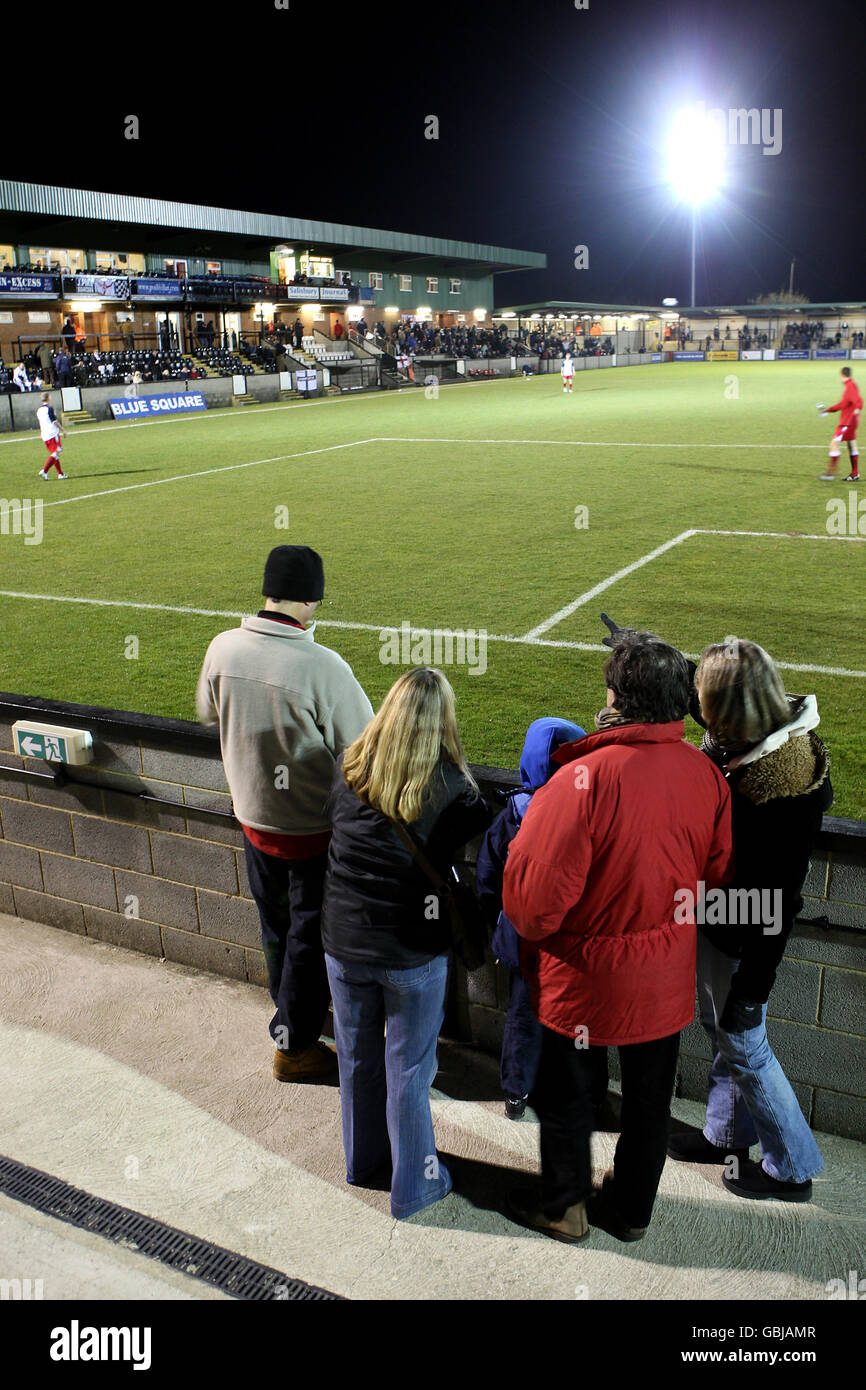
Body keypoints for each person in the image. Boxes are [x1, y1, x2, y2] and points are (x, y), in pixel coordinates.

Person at [502, 634, 733, 1244]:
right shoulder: (704, 775)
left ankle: (565, 1210)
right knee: (648, 1105)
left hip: (582, 984)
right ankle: (631, 1212)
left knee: (570, 1099)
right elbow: (715, 872)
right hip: (661, 980)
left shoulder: (583, 780)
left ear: (616, 698)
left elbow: (532, 904)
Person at [196, 545, 373, 1083]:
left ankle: (288, 1015)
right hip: (311, 831)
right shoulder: (321, 666)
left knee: (276, 927)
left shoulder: (223, 647)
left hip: (252, 819)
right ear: (312, 598)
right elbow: (365, 747)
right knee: (308, 936)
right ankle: (293, 1044)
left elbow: (208, 714)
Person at [321, 667, 491, 1219]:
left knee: (356, 1058)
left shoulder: (348, 768)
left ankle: (362, 1162)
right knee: (411, 1072)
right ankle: (414, 1186)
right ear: (441, 722)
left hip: (343, 943)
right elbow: (480, 825)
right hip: (411, 952)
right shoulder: (453, 791)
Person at [666, 640, 831, 1202]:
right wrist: (657, 654)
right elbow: (708, 691)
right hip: (723, 920)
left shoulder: (780, 797)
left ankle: (794, 1166)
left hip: (743, 928)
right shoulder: (764, 729)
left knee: (743, 1038)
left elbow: (778, 904)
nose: (700, 716)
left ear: (729, 716)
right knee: (720, 1031)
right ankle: (726, 1134)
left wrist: (753, 987)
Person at [477, 717, 612, 1124]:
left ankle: (517, 1092)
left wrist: (498, 923)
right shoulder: (590, 815)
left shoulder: (511, 815)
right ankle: (589, 1098)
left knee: (524, 1015)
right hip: (574, 946)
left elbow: (487, 877)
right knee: (584, 1021)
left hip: (524, 942)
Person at [818, 365, 861, 481]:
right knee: (851, 445)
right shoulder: (851, 386)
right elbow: (843, 404)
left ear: (842, 375)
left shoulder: (850, 387)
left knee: (833, 444)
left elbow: (858, 401)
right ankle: (855, 474)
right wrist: (828, 409)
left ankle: (830, 473)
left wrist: (858, 409)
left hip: (847, 422)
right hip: (852, 421)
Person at [36, 392, 68, 479]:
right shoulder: (49, 408)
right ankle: (44, 470)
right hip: (53, 433)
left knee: (55, 454)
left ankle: (60, 474)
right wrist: (63, 430)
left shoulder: (39, 410)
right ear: (48, 398)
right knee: (57, 452)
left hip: (44, 434)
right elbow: (54, 421)